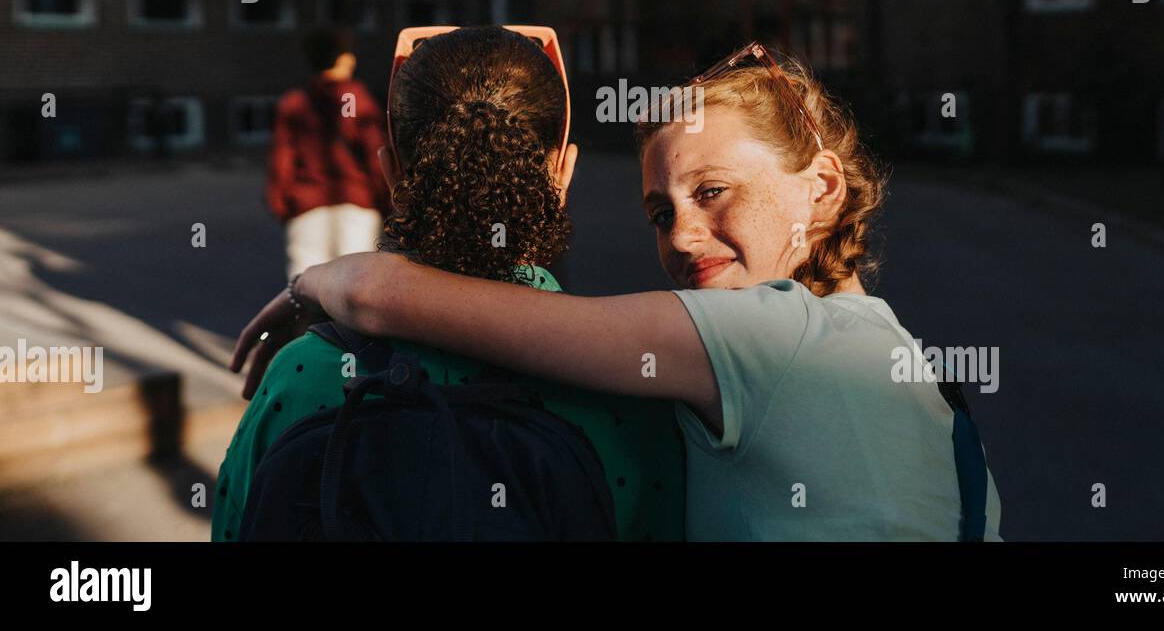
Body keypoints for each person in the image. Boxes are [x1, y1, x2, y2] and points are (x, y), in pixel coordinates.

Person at [235, 41, 1002, 542]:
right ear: (560, 172)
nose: (681, 236)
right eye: (660, 213)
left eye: (714, 191)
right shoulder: (905, 369)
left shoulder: (767, 336)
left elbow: (384, 296)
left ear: (823, 186)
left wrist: (324, 282)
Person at [214, 26, 685, 541]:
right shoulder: (634, 390)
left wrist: (306, 279)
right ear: (563, 172)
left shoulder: (298, 378)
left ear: (393, 173)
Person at [266, 27, 390, 277]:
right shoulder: (356, 99)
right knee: (354, 282)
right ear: (343, 58)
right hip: (356, 203)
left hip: (307, 204)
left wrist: (281, 201)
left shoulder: (294, 102)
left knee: (305, 282)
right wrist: (387, 198)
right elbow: (375, 154)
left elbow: (282, 158)